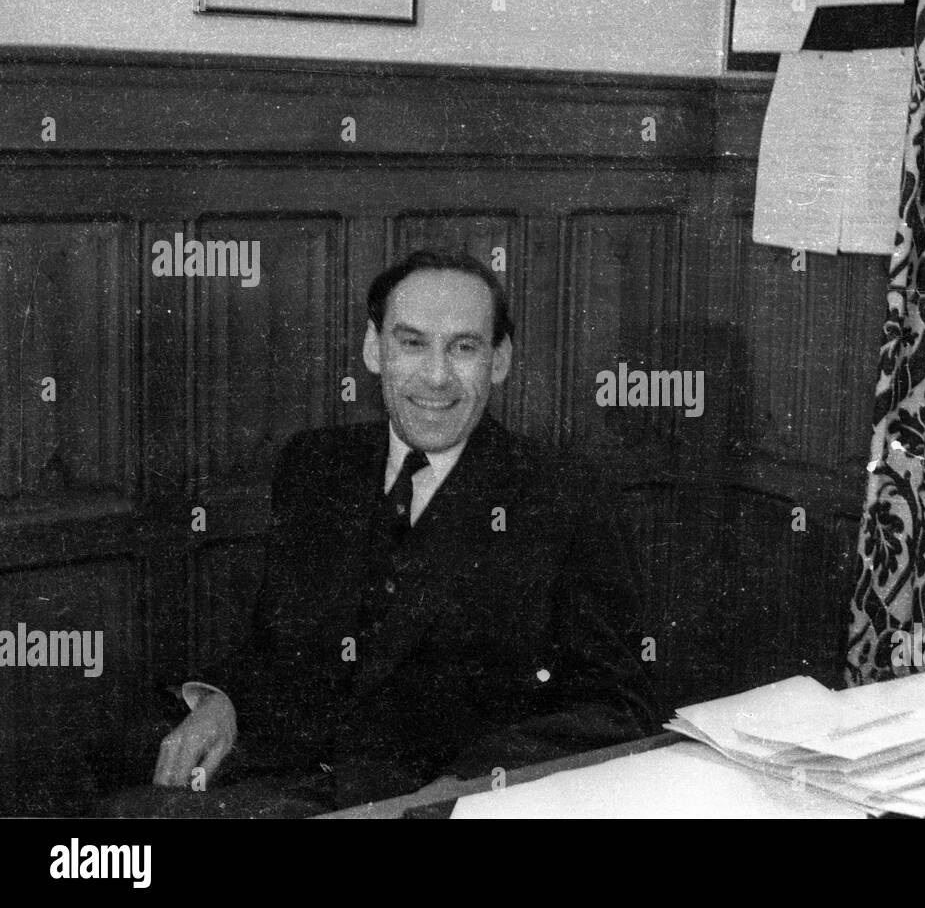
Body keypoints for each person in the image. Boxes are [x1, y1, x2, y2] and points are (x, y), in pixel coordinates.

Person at [114, 249, 658, 816]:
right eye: (412, 342)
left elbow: (618, 706)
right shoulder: (316, 462)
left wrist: (460, 791)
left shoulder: (565, 495)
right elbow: (272, 644)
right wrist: (221, 701)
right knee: (60, 763)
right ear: (374, 349)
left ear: (500, 360)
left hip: (415, 798)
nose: (437, 376)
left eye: (464, 347)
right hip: (272, 756)